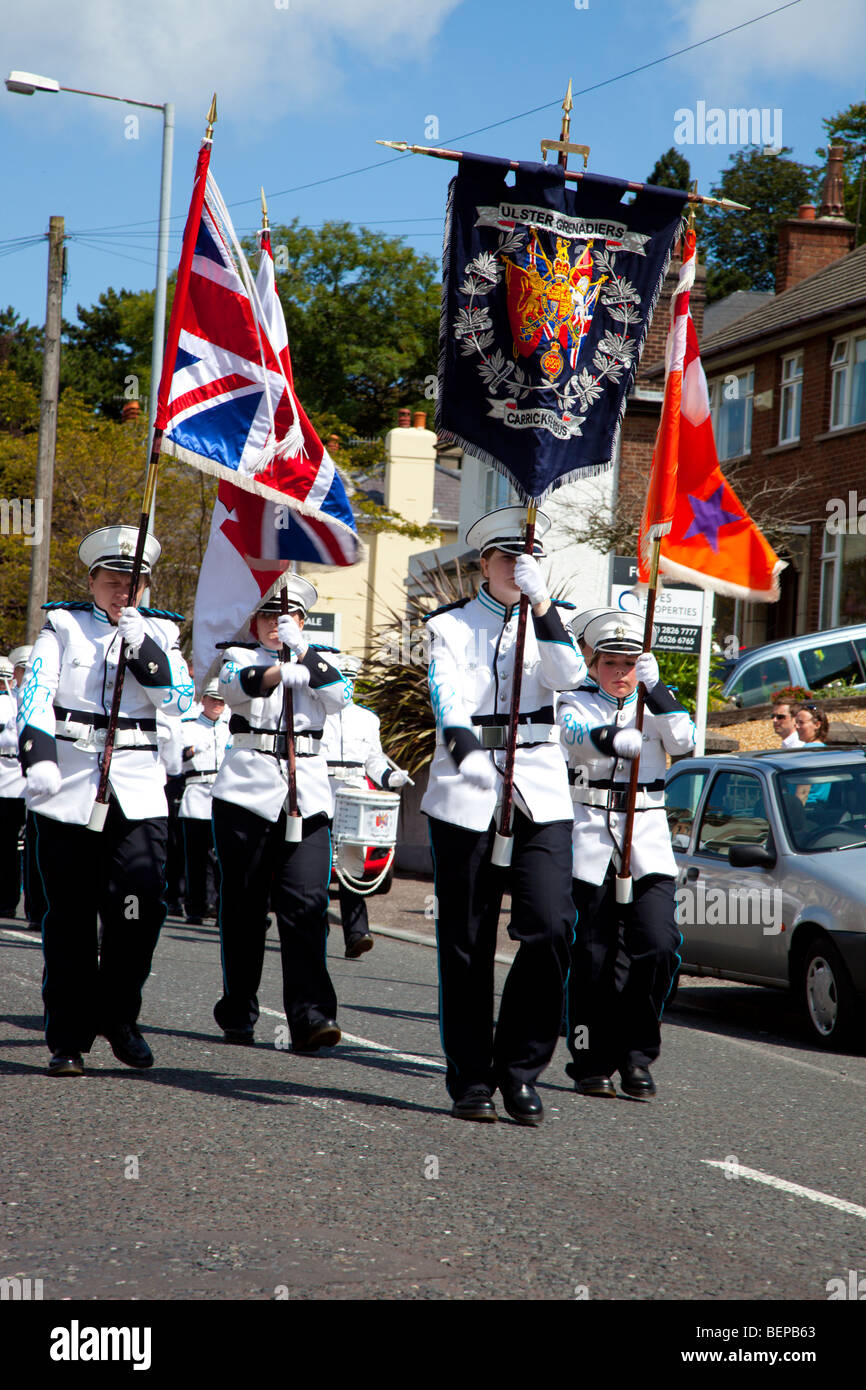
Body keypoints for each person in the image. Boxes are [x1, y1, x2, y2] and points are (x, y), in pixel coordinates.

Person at [421, 506, 585, 1125]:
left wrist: (544, 608)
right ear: (484, 564)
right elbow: (446, 686)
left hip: (539, 786)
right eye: (506, 560)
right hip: (467, 787)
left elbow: (568, 677)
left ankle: (520, 1069)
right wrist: (460, 739)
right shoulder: (452, 624)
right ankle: (470, 1077)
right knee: (465, 939)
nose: (517, 568)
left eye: (527, 560)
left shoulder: (558, 622)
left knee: (549, 925)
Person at [17, 525, 194, 1076]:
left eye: (134, 582)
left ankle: (119, 1017)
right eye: (113, 581)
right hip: (69, 787)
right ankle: (66, 1037)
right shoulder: (63, 627)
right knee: (68, 918)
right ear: (91, 580)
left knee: (138, 910)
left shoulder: (162, 632)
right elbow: (35, 694)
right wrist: (39, 757)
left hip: (137, 788)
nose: (123, 592)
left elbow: (179, 699)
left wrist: (145, 648)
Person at [557, 612, 695, 1101]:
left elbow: (684, 741)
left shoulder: (655, 702)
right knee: (591, 957)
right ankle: (588, 1058)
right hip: (590, 835)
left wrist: (656, 692)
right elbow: (574, 738)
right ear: (593, 665)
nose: (621, 672)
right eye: (610, 662)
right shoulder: (574, 701)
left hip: (648, 838)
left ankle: (637, 1055)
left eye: (630, 663)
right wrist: (612, 739)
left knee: (658, 945)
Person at [211, 578, 350, 1051]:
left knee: (307, 907)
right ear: (255, 621)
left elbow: (341, 697)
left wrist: (304, 655)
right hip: (246, 792)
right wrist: (275, 674)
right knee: (245, 907)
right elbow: (235, 689)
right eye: (268, 616)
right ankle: (238, 1007)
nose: (277, 624)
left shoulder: (319, 657)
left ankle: (311, 1017)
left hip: (305, 792)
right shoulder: (238, 656)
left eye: (286, 616)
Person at [320, 653, 409, 958]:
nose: (348, 686)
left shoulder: (368, 719)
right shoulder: (316, 713)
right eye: (342, 680)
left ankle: (357, 934)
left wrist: (390, 777)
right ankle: (314, 928)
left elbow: (374, 759)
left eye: (352, 681)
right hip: (320, 790)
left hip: (354, 794)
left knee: (351, 867)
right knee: (316, 866)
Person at [178, 679, 230, 924]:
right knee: (197, 856)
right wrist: (192, 750)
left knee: (224, 857)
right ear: (203, 701)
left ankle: (222, 908)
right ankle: (196, 907)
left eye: (221, 701)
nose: (217, 704)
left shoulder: (229, 728)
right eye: (213, 699)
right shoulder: (188, 727)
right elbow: (175, 760)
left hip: (224, 793)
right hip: (197, 791)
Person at [0, 656, 26, 919]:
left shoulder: (22, 701)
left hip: (22, 780)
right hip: (3, 777)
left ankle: (11, 900)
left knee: (15, 847)